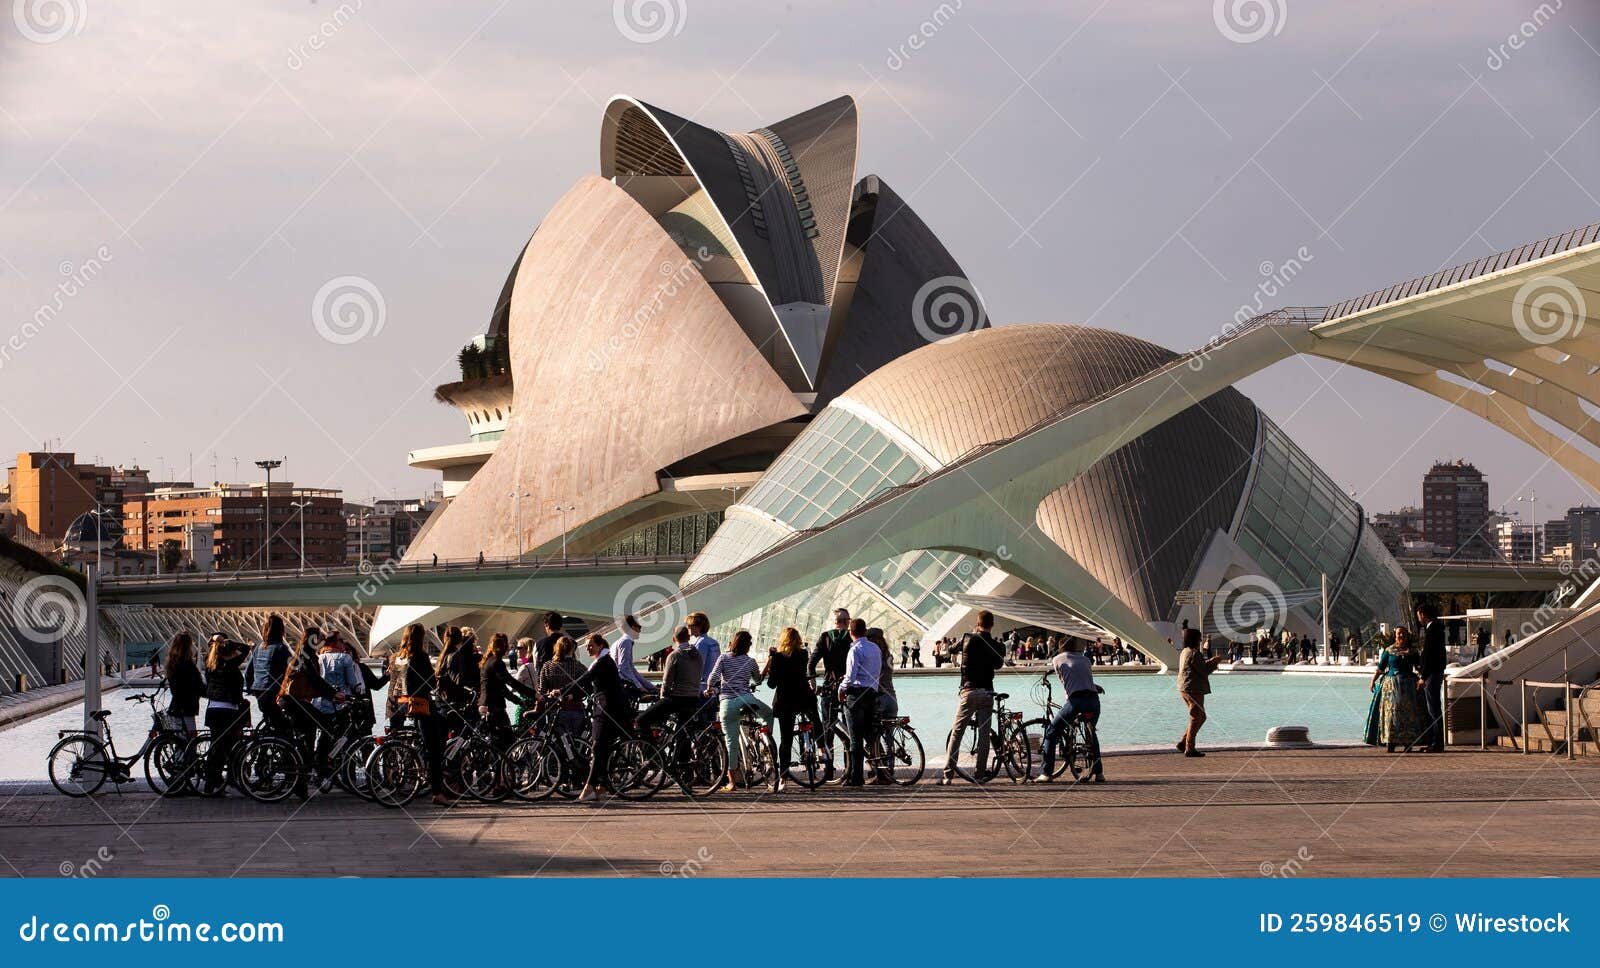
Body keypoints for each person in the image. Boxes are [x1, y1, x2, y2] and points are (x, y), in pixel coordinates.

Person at [705, 630, 774, 792]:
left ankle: (732, 783)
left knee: (731, 743)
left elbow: (713, 678)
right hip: (747, 699)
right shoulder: (750, 661)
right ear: (748, 645)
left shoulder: (723, 658)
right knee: (769, 713)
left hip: (727, 703)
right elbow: (758, 680)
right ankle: (765, 742)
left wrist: (709, 689)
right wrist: (769, 662)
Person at [941, 611, 1005, 784]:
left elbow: (950, 650)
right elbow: (999, 664)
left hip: (968, 691)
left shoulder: (967, 638)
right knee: (985, 735)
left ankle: (948, 775)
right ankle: (980, 774)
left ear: (977, 623)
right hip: (987, 692)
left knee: (957, 733)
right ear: (992, 625)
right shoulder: (995, 644)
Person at [395, 623, 452, 806]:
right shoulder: (421, 656)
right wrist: (437, 679)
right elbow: (429, 681)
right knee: (434, 749)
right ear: (420, 638)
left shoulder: (400, 657)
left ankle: (422, 774)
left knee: (426, 743)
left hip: (405, 705)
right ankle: (437, 792)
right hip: (422, 705)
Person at [567, 633, 627, 803]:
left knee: (598, 747)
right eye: (586, 645)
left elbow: (585, 678)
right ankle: (602, 787)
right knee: (603, 748)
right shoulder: (603, 660)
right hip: (609, 709)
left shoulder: (603, 662)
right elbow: (589, 684)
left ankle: (589, 787)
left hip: (606, 711)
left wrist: (563, 691)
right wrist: (571, 695)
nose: (587, 648)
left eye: (590, 645)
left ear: (600, 645)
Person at [279, 629, 341, 791]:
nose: (322, 642)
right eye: (319, 639)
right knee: (327, 726)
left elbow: (314, 683)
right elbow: (315, 680)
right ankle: (319, 764)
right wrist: (334, 694)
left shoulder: (302, 655)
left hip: (293, 702)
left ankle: (304, 776)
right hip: (295, 703)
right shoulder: (305, 657)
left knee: (308, 736)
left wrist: (331, 694)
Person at [637, 626, 705, 773]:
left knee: (642, 720)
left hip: (677, 699)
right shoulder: (697, 654)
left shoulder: (674, 655)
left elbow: (667, 682)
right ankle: (684, 771)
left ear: (674, 639)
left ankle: (654, 756)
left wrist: (662, 695)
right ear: (688, 638)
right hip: (693, 699)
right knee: (683, 732)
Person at [1038, 637, 1104, 782]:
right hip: (1093, 700)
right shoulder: (1085, 660)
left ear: (1060, 648)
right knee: (1090, 733)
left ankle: (1046, 773)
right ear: (1075, 648)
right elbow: (1083, 676)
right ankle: (1099, 774)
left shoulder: (1057, 659)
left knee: (1052, 731)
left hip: (1076, 700)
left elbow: (1063, 676)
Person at [759, 626, 817, 789]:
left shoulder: (778, 657)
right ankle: (814, 748)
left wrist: (770, 660)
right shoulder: (803, 654)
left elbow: (771, 684)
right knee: (810, 721)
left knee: (786, 740)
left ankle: (783, 779)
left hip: (785, 701)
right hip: (803, 698)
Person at [807, 607, 853, 780]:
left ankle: (828, 768)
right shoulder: (852, 637)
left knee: (828, 728)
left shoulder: (826, 637)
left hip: (830, 687)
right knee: (851, 728)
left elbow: (811, 663)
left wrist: (812, 681)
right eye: (843, 621)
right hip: (850, 688)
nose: (842, 624)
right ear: (848, 621)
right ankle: (852, 768)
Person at [201, 633, 250, 794]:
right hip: (228, 710)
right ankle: (227, 779)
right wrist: (230, 642)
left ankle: (214, 782)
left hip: (213, 709)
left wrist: (217, 642)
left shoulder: (209, 664)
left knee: (218, 747)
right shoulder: (229, 664)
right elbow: (246, 648)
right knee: (229, 747)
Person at [1363, 627, 1424, 751]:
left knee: (1408, 714)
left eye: (1403, 633)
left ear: (1407, 636)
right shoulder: (1389, 651)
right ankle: (1391, 742)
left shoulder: (1413, 651)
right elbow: (1380, 668)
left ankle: (1408, 743)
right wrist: (1372, 681)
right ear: (1395, 636)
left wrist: (1422, 678)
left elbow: (1419, 667)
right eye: (1398, 633)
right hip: (1391, 686)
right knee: (1391, 713)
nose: (1401, 635)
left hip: (1408, 686)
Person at [838, 618, 881, 786]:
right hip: (871, 694)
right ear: (865, 630)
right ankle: (880, 771)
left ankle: (856, 777)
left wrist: (841, 688)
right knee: (870, 736)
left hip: (856, 696)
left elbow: (851, 676)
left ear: (851, 632)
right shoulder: (875, 648)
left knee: (855, 739)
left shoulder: (855, 650)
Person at [479, 632, 538, 732]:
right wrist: (534, 694)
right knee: (508, 738)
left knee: (497, 740)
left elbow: (501, 688)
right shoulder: (497, 663)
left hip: (486, 704)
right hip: (495, 706)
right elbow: (511, 682)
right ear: (504, 647)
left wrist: (518, 701)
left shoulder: (488, 661)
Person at [1176, 627, 1221, 757]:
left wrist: (1210, 662)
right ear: (1195, 639)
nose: (1201, 640)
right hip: (1193, 689)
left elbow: (1197, 667)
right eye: (1199, 638)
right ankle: (1189, 748)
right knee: (1197, 717)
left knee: (1199, 716)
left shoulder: (1185, 651)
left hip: (1184, 688)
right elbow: (1204, 670)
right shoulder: (1195, 653)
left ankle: (1184, 742)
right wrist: (1214, 662)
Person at [246, 614, 292, 730]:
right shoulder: (281, 648)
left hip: (259, 691)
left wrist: (250, 687)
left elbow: (248, 671)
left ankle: (267, 742)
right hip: (273, 691)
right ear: (281, 630)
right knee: (285, 726)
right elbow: (293, 669)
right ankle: (286, 745)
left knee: (271, 720)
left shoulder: (258, 647)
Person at [537, 635, 590, 735]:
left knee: (558, 744)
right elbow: (588, 686)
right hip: (576, 708)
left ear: (556, 648)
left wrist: (537, 708)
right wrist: (574, 696)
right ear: (572, 649)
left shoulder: (547, 666)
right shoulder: (578, 666)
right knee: (577, 743)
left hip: (555, 710)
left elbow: (542, 692)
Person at [867, 628, 898, 784]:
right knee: (888, 738)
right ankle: (890, 771)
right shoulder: (888, 655)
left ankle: (881, 772)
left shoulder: (874, 656)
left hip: (879, 699)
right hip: (892, 698)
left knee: (872, 737)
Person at [1416, 603, 1447, 752]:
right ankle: (1436, 741)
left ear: (1422, 614)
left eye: (1418, 615)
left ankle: (1437, 743)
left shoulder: (1432, 629)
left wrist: (1423, 675)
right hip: (1436, 672)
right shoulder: (1437, 628)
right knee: (1434, 708)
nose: (1418, 619)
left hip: (1432, 675)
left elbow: (1429, 655)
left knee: (1433, 709)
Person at [163, 631, 204, 736]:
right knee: (191, 741)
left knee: (176, 741)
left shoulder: (171, 664)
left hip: (174, 707)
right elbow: (199, 685)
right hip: (187, 708)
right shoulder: (188, 665)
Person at [610, 614, 657, 702]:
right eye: (639, 627)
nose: (640, 630)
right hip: (622, 687)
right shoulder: (626, 642)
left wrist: (649, 686)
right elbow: (624, 668)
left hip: (617, 686)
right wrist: (639, 686)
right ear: (632, 627)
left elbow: (631, 669)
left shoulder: (618, 642)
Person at [687, 612, 721, 695]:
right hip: (713, 686)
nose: (687, 628)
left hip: (701, 687)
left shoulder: (701, 643)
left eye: (689, 626)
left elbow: (697, 666)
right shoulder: (714, 642)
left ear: (698, 627)